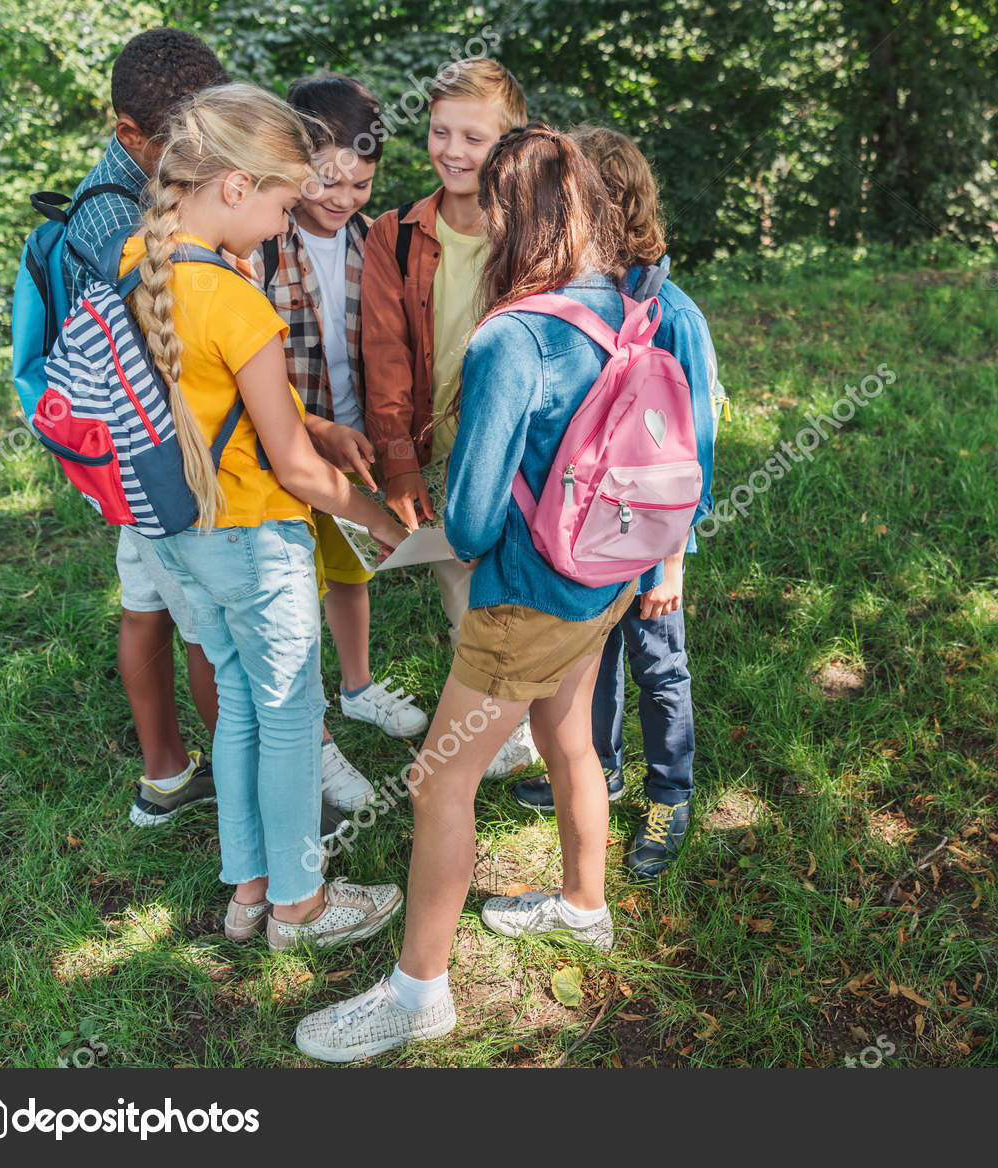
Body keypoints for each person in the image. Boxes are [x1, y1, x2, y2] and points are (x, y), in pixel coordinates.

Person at [296, 125, 638, 1060]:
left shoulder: (511, 336)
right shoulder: (615, 303)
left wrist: (418, 523)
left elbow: (479, 521)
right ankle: (583, 904)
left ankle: (418, 993)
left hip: (526, 592)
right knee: (570, 735)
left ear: (505, 216)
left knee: (437, 780)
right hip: (606, 571)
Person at [122, 83, 412, 949]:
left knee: (242, 708)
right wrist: (387, 526)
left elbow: (215, 397)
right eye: (286, 203)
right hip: (253, 536)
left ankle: (247, 890)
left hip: (175, 536)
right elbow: (294, 468)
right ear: (238, 186)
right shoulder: (237, 300)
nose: (289, 224)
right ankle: (301, 906)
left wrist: (312, 420)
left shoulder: (140, 253)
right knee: (288, 715)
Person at [512, 126, 720, 877]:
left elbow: (690, 455)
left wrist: (670, 566)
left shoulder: (676, 317)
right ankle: (598, 768)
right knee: (590, 659)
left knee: (659, 665)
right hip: (586, 533)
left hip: (653, 537)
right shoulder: (573, 306)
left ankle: (671, 794)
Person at [60, 27, 229, 828]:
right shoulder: (108, 225)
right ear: (131, 133)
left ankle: (164, 778)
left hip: (132, 463)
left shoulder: (140, 183)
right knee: (204, 626)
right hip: (159, 462)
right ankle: (244, 782)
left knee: (147, 607)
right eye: (185, 141)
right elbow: (163, 361)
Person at [252, 75, 432, 814]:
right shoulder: (263, 242)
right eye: (326, 181)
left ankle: (356, 687)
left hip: (351, 437)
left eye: (360, 184)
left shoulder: (370, 239)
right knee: (292, 592)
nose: (342, 197)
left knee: (347, 568)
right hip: (287, 445)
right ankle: (314, 736)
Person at [360, 58, 540, 779]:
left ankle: (536, 713)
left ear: (510, 141)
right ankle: (496, 724)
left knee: (525, 579)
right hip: (441, 446)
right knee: (462, 585)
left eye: (475, 135)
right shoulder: (395, 235)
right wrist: (399, 461)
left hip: (524, 441)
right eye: (441, 132)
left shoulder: (533, 229)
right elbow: (384, 353)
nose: (455, 151)